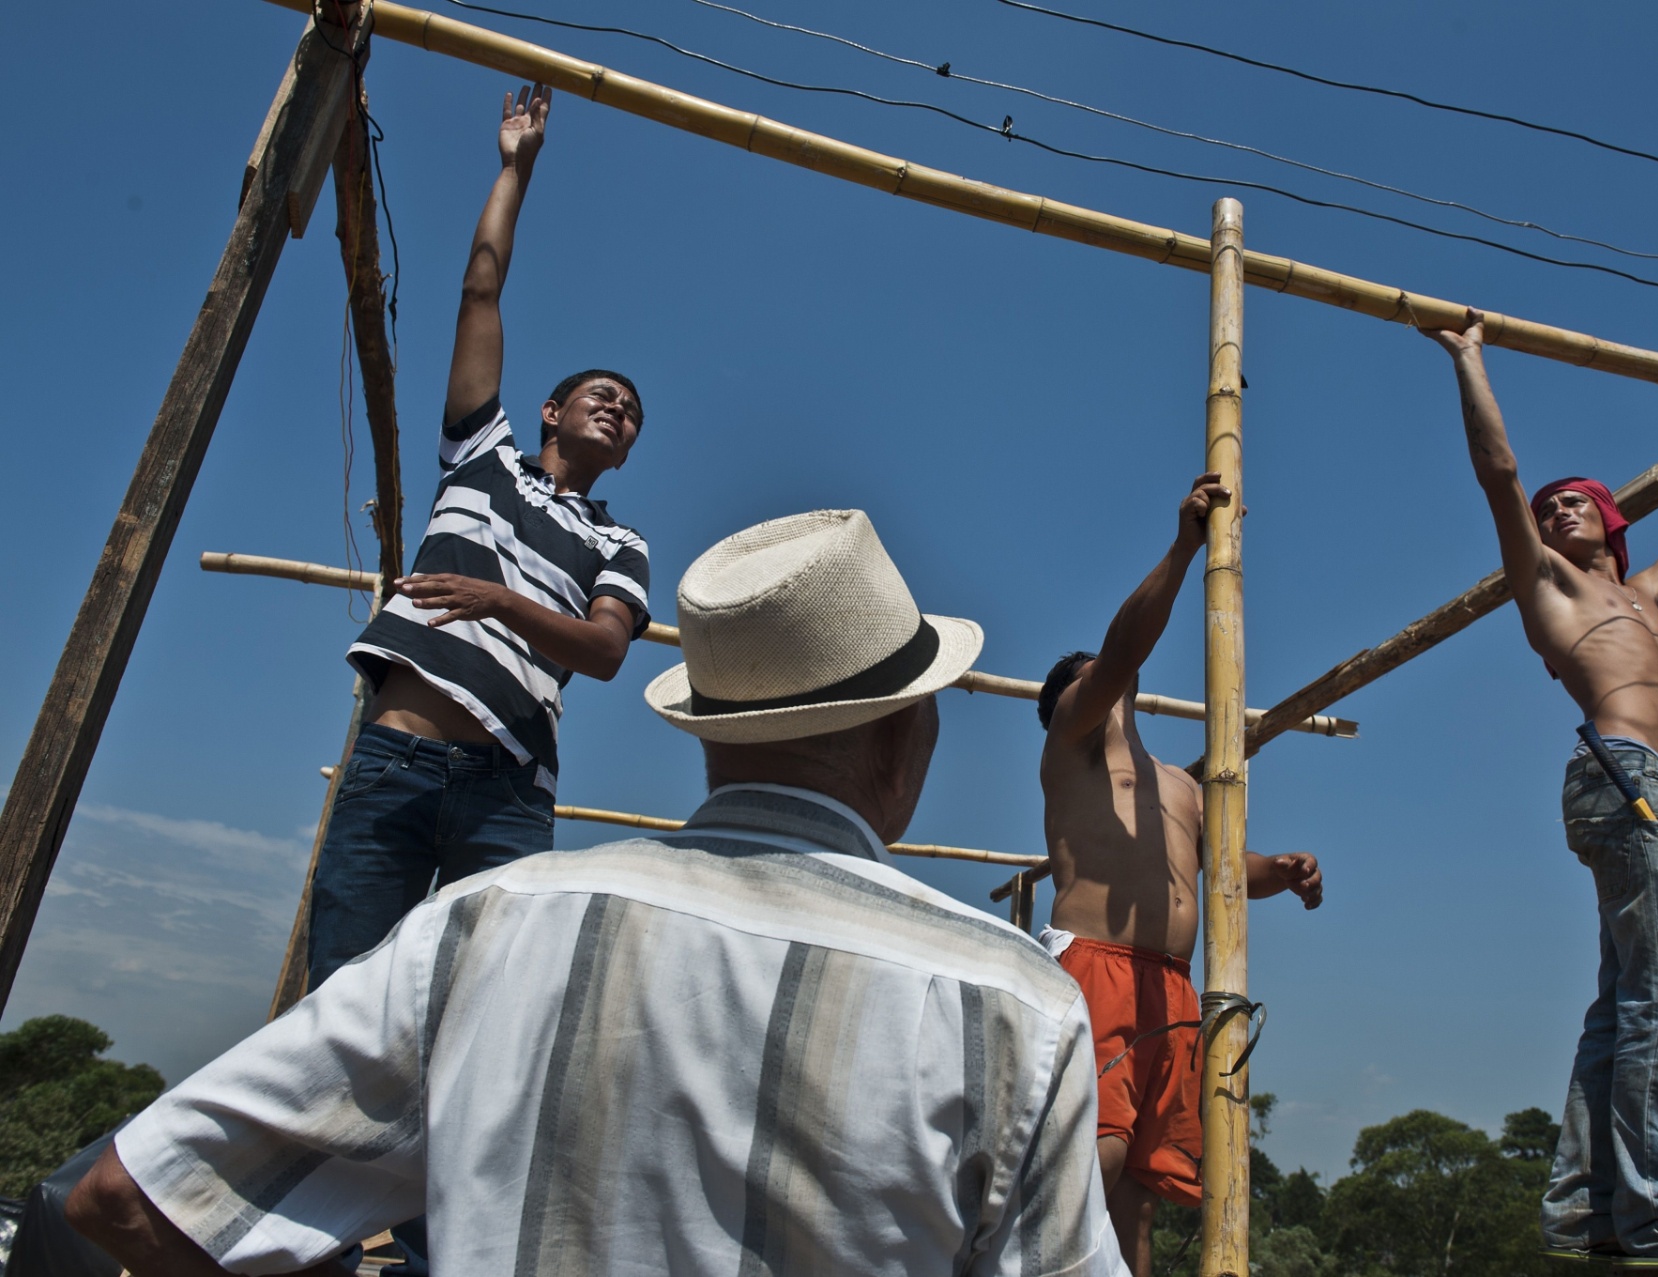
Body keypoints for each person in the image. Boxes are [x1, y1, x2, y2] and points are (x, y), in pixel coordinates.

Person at [67, 508, 1126, 1277]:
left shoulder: (490, 922)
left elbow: (131, 1196)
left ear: (710, 733)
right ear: (910, 731)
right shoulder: (1011, 1001)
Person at [306, 84, 653, 996]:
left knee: (471, 1023)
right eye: (601, 396)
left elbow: (609, 650)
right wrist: (515, 167)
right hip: (397, 757)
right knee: (340, 1006)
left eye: (631, 414)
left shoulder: (620, 541)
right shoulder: (481, 455)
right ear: (550, 411)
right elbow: (479, 287)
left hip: (509, 792)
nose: (617, 410)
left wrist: (500, 601)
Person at [1423, 310, 1658, 1266]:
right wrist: (1471, 359)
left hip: (1653, 790)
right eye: (1549, 506)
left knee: (1625, 1001)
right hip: (1625, 780)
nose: (1556, 510)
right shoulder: (1550, 588)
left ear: (1613, 521)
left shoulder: (1643, 594)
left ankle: (1587, 1209)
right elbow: (1500, 475)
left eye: (1575, 503)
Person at [1037, 474, 1324, 1274]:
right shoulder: (1072, 741)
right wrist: (1184, 547)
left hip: (1173, 983)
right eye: (1098, 675)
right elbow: (1123, 649)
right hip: (1096, 963)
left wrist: (1283, 869)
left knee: (1143, 1189)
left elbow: (1227, 871)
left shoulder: (1183, 785)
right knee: (1096, 1151)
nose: (1116, 679)